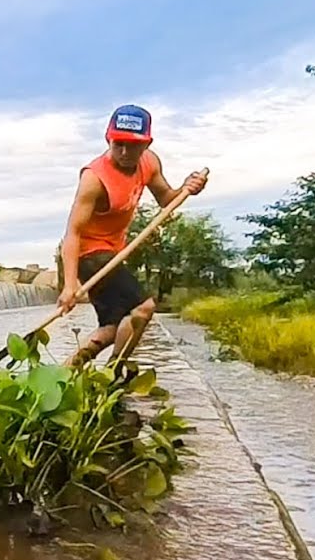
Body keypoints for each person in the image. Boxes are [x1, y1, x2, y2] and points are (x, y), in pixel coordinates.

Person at [57, 104, 208, 368]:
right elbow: (72, 233)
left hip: (114, 252)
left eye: (133, 145)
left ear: (147, 144)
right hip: (88, 254)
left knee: (111, 329)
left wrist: (187, 189)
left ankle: (63, 375)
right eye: (118, 144)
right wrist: (70, 285)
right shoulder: (94, 178)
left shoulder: (149, 163)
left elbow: (166, 201)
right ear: (108, 139)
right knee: (144, 307)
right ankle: (114, 375)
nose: (125, 153)